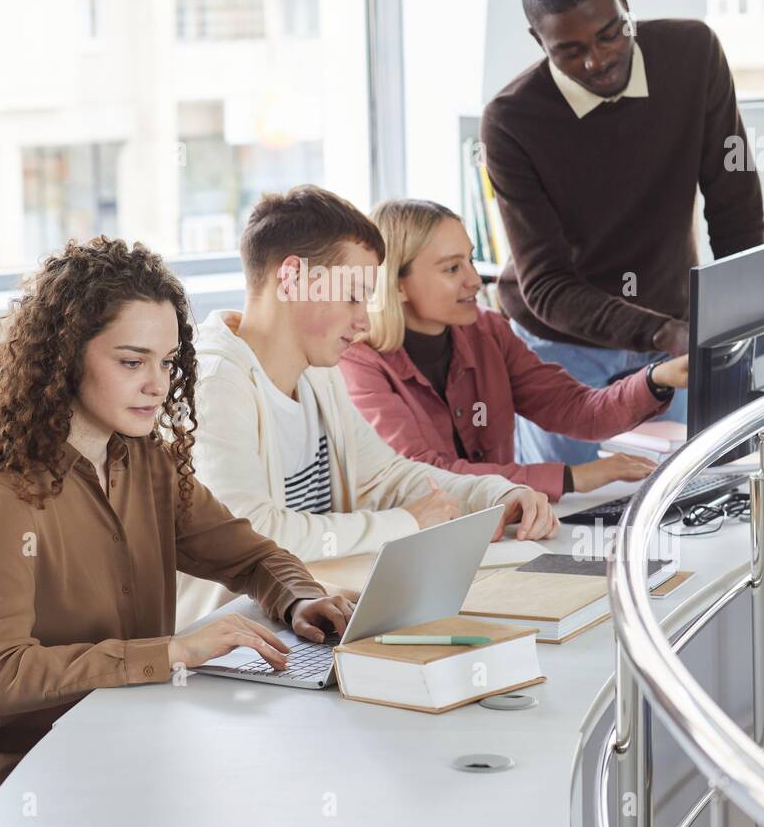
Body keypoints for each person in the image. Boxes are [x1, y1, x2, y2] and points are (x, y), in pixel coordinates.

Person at [0, 236, 347, 827]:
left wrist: (301, 599)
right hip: (12, 778)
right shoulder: (5, 496)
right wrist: (174, 651)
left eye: (168, 362)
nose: (156, 385)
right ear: (66, 358)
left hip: (127, 747)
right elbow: (4, 676)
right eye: (131, 362)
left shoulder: (147, 463)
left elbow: (249, 554)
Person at [178, 186, 559, 630]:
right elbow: (252, 533)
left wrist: (494, 494)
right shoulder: (215, 381)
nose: (363, 321)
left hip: (309, 621)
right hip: (237, 645)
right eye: (353, 297)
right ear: (293, 279)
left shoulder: (317, 371)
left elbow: (388, 475)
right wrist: (404, 523)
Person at [480, 0, 764, 466]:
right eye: (569, 50)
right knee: (571, 519)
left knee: (687, 496)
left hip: (674, 324)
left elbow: (737, 208)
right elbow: (545, 284)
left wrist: (740, 327)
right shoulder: (510, 121)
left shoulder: (692, 54)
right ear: (537, 42)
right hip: (562, 347)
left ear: (623, 3)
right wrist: (667, 332)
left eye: (610, 32)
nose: (598, 58)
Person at [339, 198, 688, 501]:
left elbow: (576, 410)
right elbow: (425, 476)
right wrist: (572, 478)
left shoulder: (488, 331)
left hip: (504, 530)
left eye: (471, 261)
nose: (474, 280)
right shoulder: (357, 363)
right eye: (451, 268)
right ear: (397, 285)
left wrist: (658, 378)